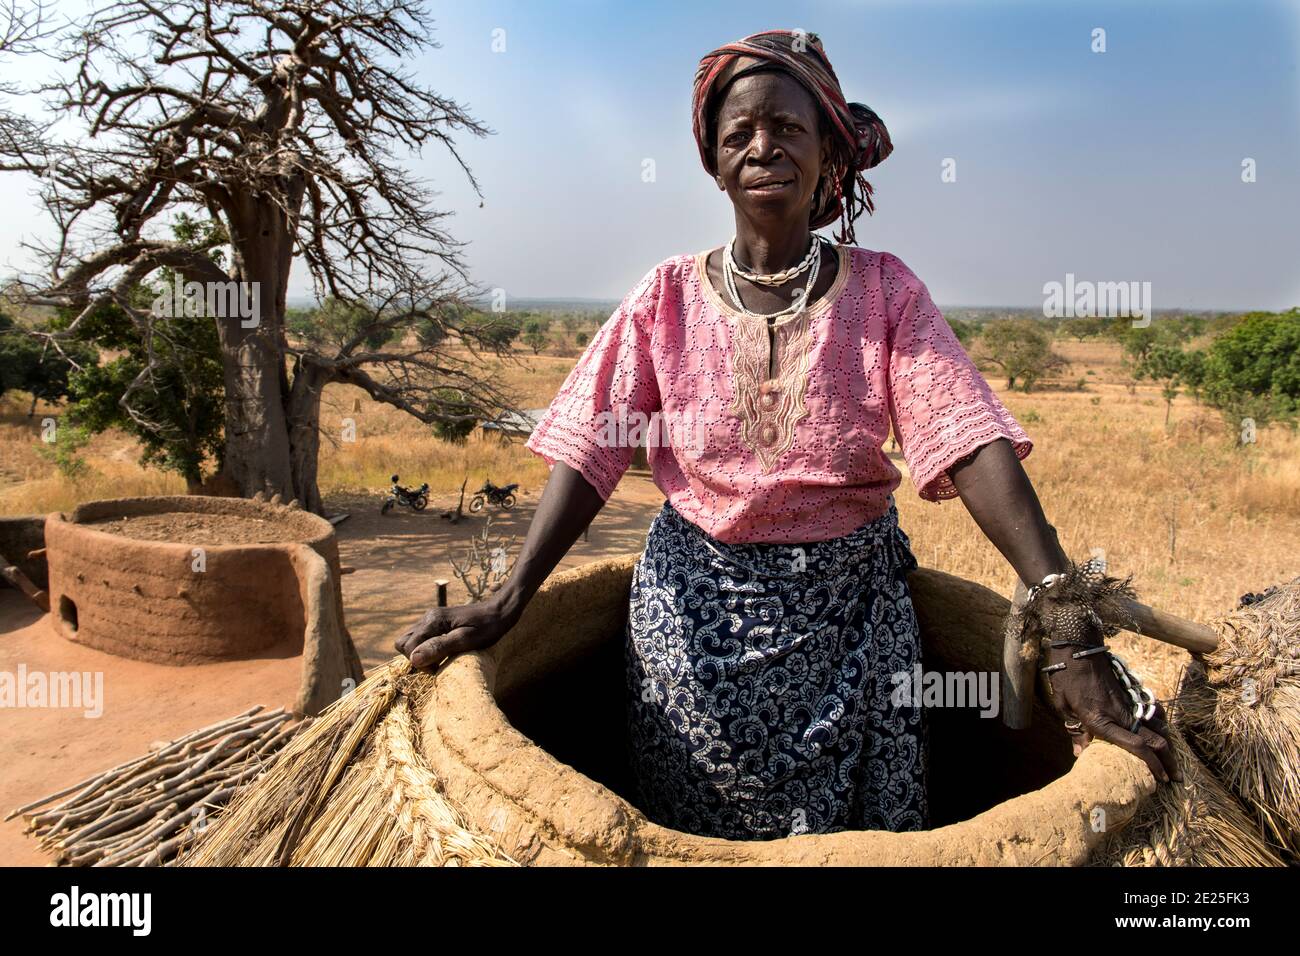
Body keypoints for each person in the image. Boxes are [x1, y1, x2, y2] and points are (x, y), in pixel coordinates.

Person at [396, 28, 1181, 841]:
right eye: (739, 133)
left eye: (788, 129)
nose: (763, 147)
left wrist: (1068, 631)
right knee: (688, 840)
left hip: (856, 625)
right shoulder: (663, 296)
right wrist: (510, 596)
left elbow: (968, 441)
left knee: (863, 845)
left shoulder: (884, 291)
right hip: (690, 632)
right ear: (712, 159)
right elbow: (592, 452)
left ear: (826, 149)